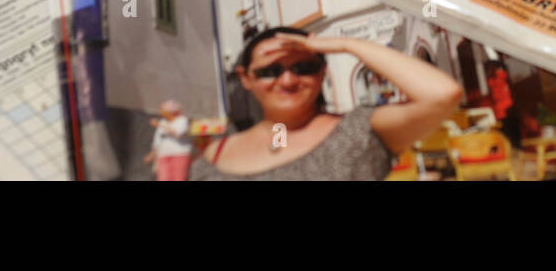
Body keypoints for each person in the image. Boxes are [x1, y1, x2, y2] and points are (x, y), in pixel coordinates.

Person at [191, 26, 464, 180]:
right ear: (246, 77)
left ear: (322, 71)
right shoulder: (215, 154)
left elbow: (442, 95)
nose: (287, 81)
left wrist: (345, 44)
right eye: (271, 71)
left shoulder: (360, 131)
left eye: (304, 67)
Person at [143, 99, 193, 181]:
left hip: (179, 155)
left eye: (163, 110)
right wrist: (151, 155)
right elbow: (158, 142)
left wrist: (160, 125)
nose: (161, 112)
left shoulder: (182, 120)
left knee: (179, 178)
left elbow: (178, 133)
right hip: (163, 156)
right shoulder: (163, 122)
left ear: (170, 111)